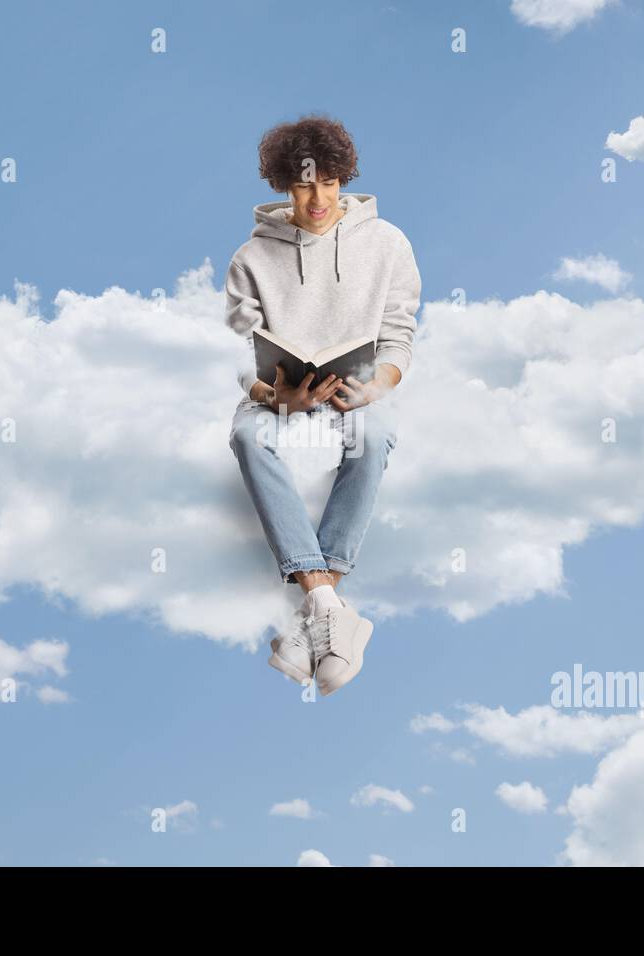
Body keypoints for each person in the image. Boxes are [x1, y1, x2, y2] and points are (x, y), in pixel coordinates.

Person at [224, 114, 421, 696]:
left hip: (355, 388)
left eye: (331, 183)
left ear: (344, 178)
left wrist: (378, 384)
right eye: (306, 184)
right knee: (246, 438)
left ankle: (315, 610)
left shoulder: (388, 244)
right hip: (281, 390)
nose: (319, 198)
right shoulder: (250, 258)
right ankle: (332, 610)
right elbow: (237, 351)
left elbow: (398, 336)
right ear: (285, 184)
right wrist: (271, 395)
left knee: (376, 434)